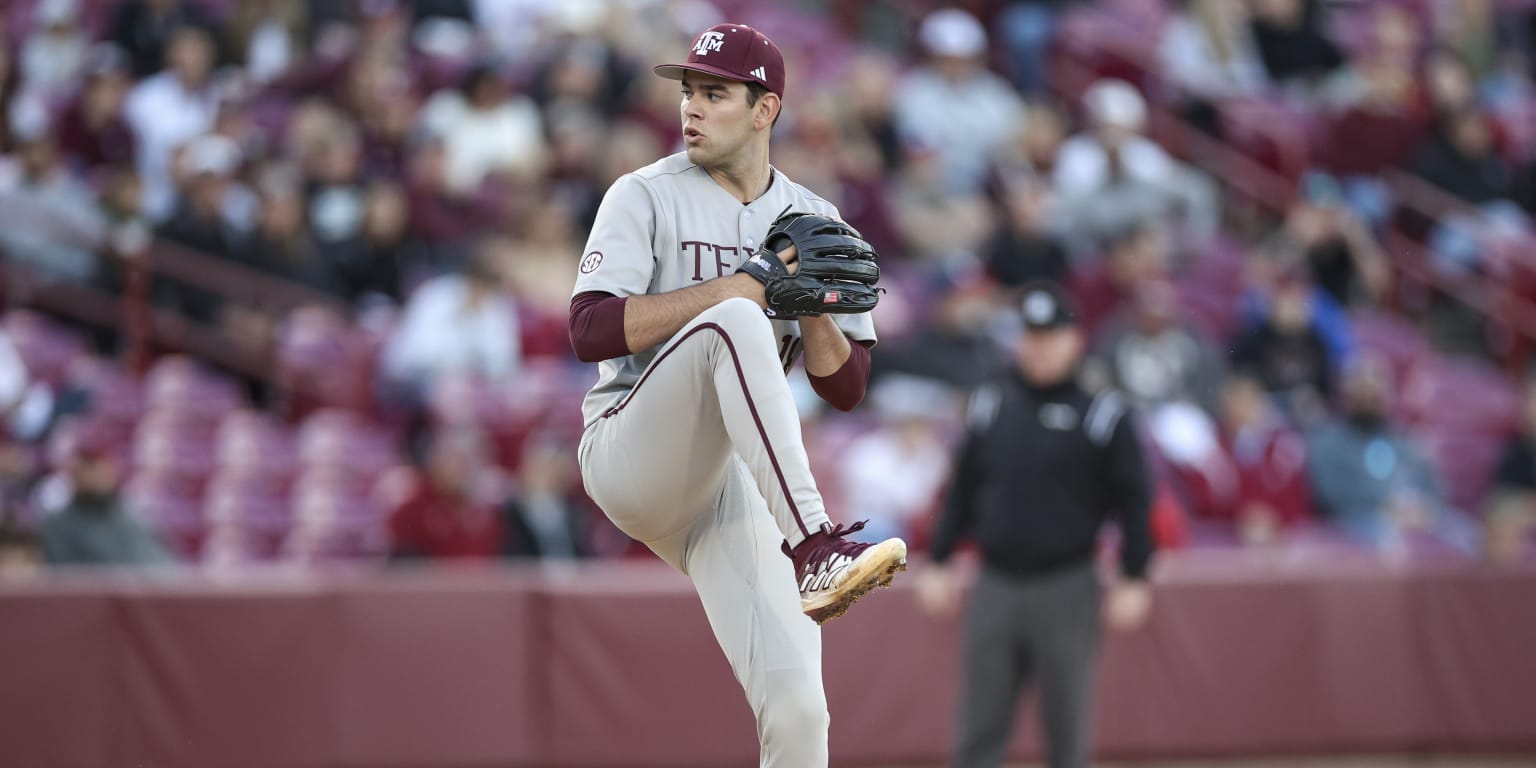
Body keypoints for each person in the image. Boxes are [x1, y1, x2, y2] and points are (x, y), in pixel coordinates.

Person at [566, 24, 907, 766]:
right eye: (688, 90)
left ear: (765, 109)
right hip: (631, 445)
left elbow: (847, 388)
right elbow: (588, 329)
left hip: (727, 487)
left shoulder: (815, 218)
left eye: (713, 93)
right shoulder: (644, 194)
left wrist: (812, 309)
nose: (690, 107)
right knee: (734, 320)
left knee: (800, 709)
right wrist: (743, 285)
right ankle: (816, 545)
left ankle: (811, 552)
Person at [918, 282, 1154, 768]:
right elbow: (963, 487)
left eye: (1051, 335)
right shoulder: (991, 401)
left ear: (1075, 340)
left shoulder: (1103, 413)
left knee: (1067, 727)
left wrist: (1135, 574)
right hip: (994, 582)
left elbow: (1135, 499)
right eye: (1031, 335)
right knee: (978, 726)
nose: (1039, 346)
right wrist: (938, 558)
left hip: (1066, 585)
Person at [39, 426, 174, 566]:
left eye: (99, 461)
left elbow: (165, 569)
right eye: (87, 463)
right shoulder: (59, 526)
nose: (94, 472)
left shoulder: (134, 516)